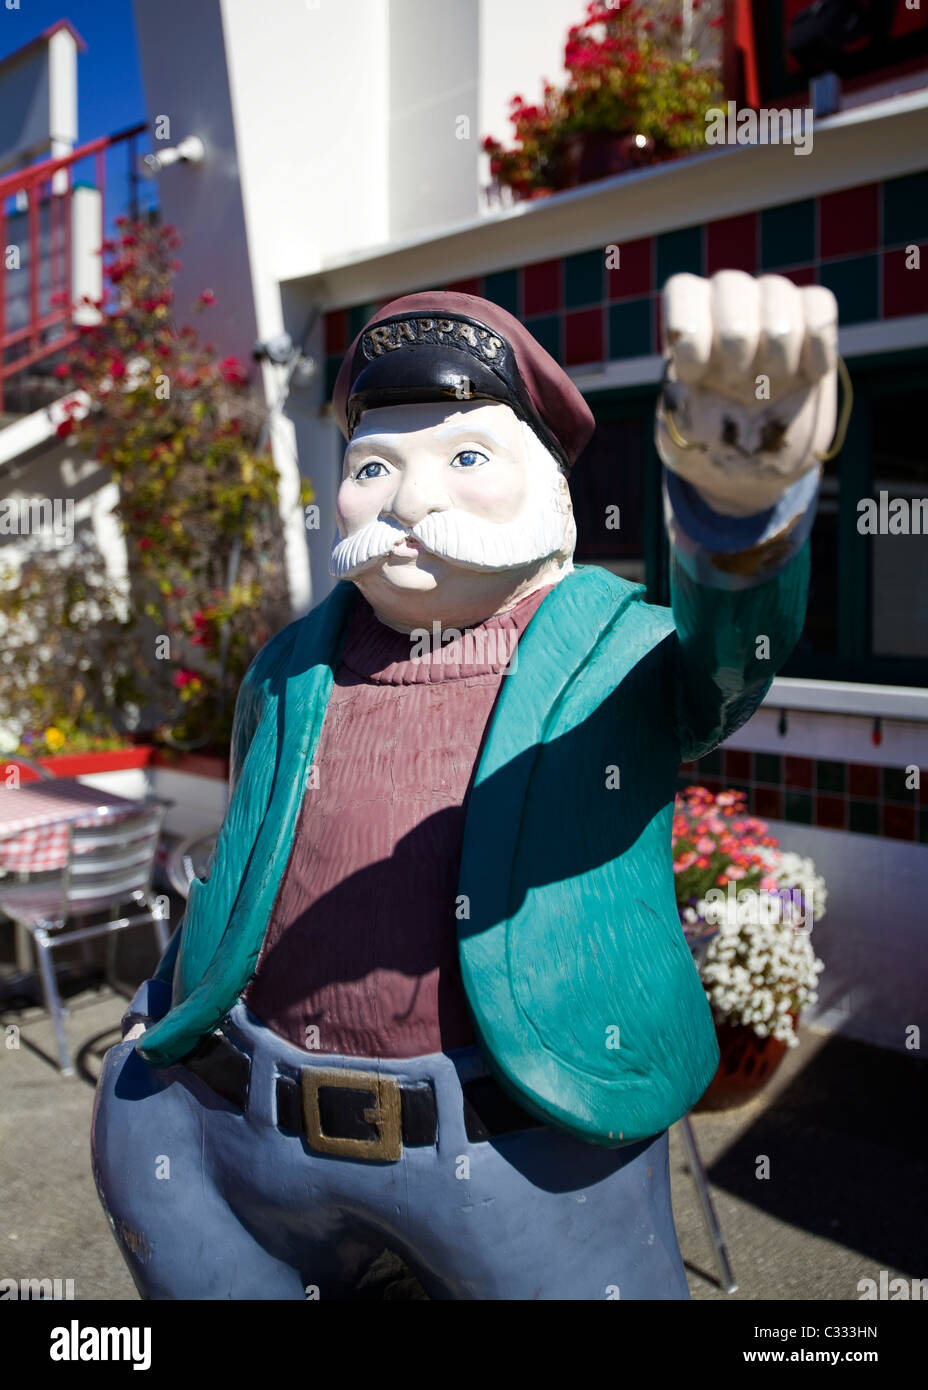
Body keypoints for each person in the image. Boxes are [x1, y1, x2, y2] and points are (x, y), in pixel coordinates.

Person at [91, 273, 838, 1299]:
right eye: (372, 466)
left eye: (468, 457)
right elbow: (254, 859)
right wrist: (156, 1017)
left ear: (546, 484)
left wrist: (737, 508)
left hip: (518, 1157)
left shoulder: (614, 649)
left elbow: (730, 657)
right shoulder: (289, 665)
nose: (410, 498)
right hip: (240, 1135)